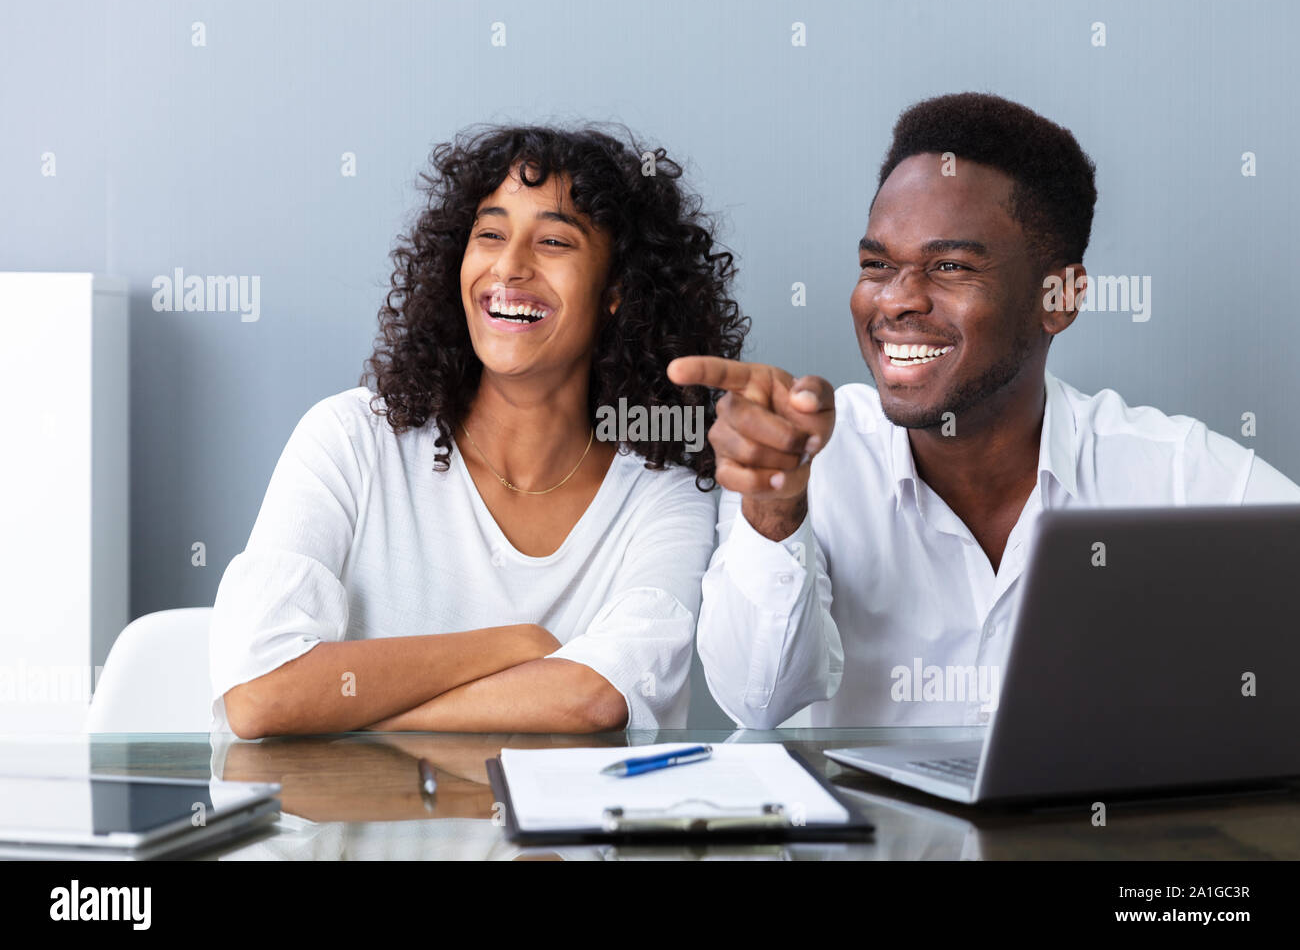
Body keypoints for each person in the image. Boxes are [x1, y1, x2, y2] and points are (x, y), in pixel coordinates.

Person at [671, 92, 1300, 729]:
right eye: (877, 264)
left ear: (1059, 296)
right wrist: (774, 507)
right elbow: (757, 704)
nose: (896, 301)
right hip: (872, 831)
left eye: (949, 266)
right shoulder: (803, 454)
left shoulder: (1174, 475)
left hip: (1088, 832)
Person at [209, 124, 747, 738]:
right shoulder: (351, 439)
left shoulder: (664, 492)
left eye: (553, 241)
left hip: (555, 839)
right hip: (349, 832)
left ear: (616, 293)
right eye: (489, 234)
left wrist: (344, 712)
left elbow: (592, 700)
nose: (509, 266)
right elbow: (260, 694)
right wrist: (513, 644)